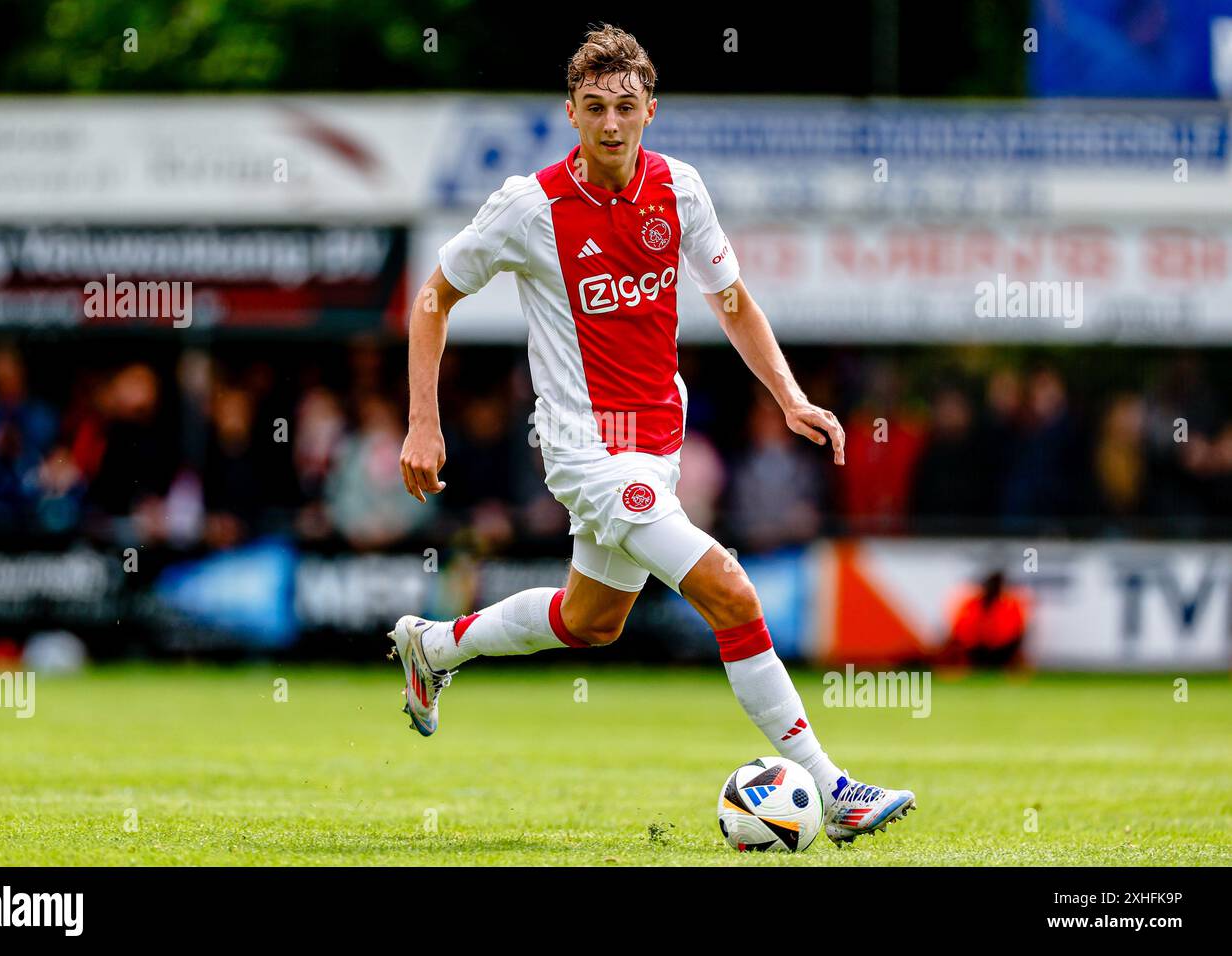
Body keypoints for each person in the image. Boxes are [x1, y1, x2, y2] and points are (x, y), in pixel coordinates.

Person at [391, 24, 915, 845]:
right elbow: (432, 298)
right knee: (731, 591)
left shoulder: (682, 191)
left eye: (624, 107)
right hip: (584, 451)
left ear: (649, 112)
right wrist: (423, 422)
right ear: (570, 113)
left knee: (591, 619)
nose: (609, 124)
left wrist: (788, 396)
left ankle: (433, 646)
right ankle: (831, 787)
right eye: (593, 107)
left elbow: (733, 301)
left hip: (656, 449)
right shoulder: (529, 207)